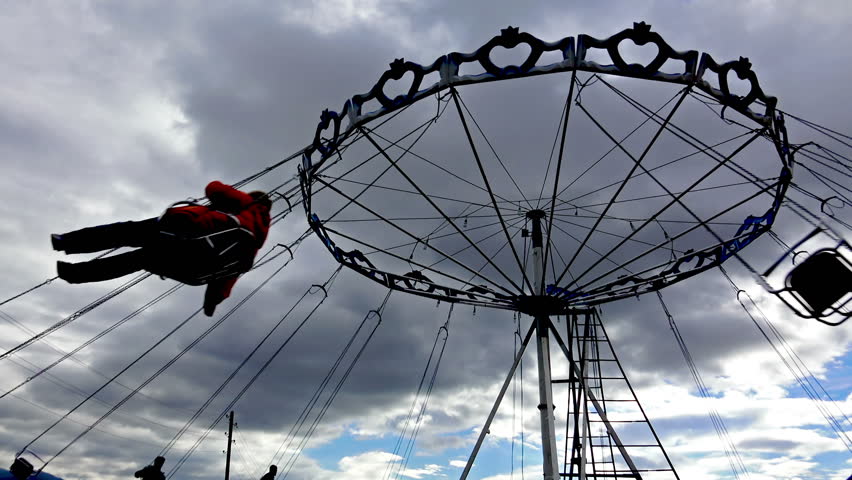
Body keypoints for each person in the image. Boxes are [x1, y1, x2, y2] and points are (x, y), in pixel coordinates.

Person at [52, 181, 272, 316]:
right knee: (136, 260)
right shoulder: (252, 244)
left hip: (180, 232)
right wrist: (210, 304)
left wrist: (226, 197)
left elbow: (213, 188)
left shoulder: (247, 203)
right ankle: (74, 274)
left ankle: (65, 242)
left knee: (123, 232)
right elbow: (224, 283)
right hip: (189, 267)